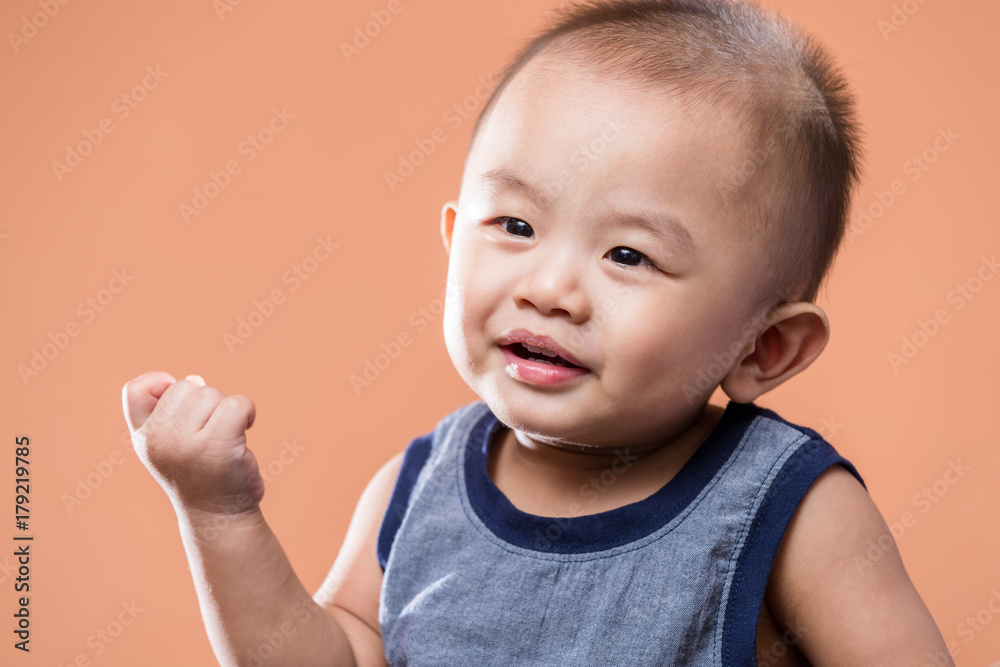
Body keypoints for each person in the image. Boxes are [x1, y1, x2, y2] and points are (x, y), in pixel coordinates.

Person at [122, 0, 954, 664]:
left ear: (762, 347)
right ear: (454, 240)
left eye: (628, 253)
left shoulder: (790, 508)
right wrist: (219, 512)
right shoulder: (416, 493)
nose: (549, 287)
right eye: (515, 226)